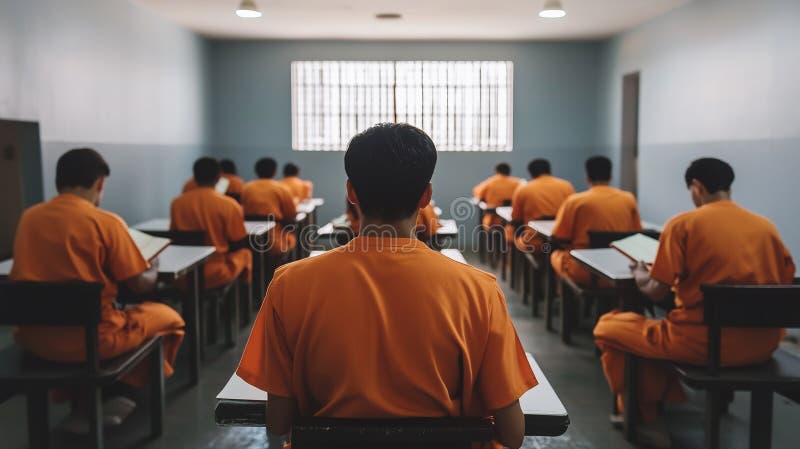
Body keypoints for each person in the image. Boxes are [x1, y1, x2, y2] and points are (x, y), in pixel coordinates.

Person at [237, 124, 536, 449]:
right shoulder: (479, 290)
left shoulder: (288, 284)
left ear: (352, 193)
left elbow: (279, 422)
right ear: (426, 197)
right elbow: (512, 434)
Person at [594, 158, 795, 447]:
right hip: (762, 345)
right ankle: (662, 396)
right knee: (640, 332)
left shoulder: (683, 224)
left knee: (610, 328)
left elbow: (655, 292)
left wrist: (640, 273)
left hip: (702, 344)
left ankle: (645, 416)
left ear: (697, 187)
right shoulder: (766, 227)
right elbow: (782, 280)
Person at [10, 148, 185, 431]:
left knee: (90, 320)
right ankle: (120, 391)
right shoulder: (105, 222)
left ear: (58, 182)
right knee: (169, 318)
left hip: (34, 339)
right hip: (92, 343)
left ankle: (85, 402)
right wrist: (151, 266)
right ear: (100, 184)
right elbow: (138, 284)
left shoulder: (29, 218)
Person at [550, 156, 642, 286]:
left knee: (555, 255)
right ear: (610, 176)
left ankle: (565, 299)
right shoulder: (629, 199)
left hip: (585, 270)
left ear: (587, 177)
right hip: (621, 268)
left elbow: (559, 236)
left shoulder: (575, 201)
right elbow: (636, 232)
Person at [170, 157, 252, 289]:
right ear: (219, 178)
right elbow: (238, 241)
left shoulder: (177, 203)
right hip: (215, 272)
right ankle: (239, 303)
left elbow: (174, 237)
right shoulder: (229, 204)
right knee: (245, 254)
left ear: (194, 177)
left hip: (184, 273)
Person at [511, 159, 575, 253]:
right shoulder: (567, 186)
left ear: (531, 173)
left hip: (534, 240)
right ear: (549, 170)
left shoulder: (523, 189)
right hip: (561, 241)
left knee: (513, 234)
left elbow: (516, 217)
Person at [242, 158, 298, 257]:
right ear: (275, 171)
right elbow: (291, 214)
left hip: (249, 240)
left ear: (256, 171)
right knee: (292, 236)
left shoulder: (246, 188)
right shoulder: (281, 189)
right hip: (274, 240)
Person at [472, 163, 522, 230]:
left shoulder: (490, 182)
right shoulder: (518, 183)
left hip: (493, 221)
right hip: (513, 223)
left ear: (496, 171)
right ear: (509, 172)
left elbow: (477, 193)